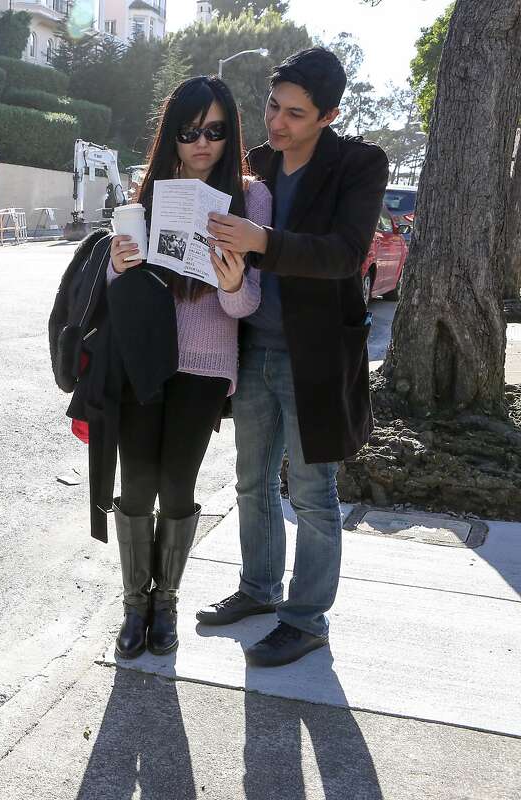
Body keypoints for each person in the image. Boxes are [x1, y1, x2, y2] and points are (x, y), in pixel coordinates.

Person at [59, 76, 270, 661]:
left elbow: (247, 303)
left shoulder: (251, 199)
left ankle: (165, 603)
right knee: (138, 484)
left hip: (204, 367)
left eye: (215, 131)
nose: (201, 143)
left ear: (231, 134)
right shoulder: (146, 194)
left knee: (178, 484)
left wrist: (231, 282)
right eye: (189, 131)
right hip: (138, 358)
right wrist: (119, 266)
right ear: (170, 134)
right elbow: (110, 287)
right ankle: (133, 604)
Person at [200, 47, 389, 667]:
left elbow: (344, 253)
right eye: (272, 107)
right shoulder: (256, 165)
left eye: (295, 114)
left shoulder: (359, 165)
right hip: (252, 343)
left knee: (312, 492)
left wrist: (265, 243)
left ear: (328, 116)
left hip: (317, 355)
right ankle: (258, 589)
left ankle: (306, 619)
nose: (277, 124)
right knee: (250, 481)